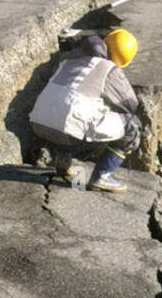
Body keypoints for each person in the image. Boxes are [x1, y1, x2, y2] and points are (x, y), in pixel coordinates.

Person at [29, 28, 141, 195]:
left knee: (72, 112)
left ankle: (63, 161)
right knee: (132, 126)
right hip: (67, 129)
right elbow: (130, 104)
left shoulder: (68, 59)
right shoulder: (108, 68)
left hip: (38, 123)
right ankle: (101, 177)